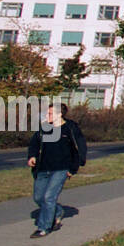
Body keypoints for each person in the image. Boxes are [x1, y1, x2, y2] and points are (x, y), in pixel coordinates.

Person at [27, 102, 87, 238]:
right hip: (43, 168)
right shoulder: (44, 128)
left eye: (50, 113)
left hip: (60, 169)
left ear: (59, 114)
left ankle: (44, 227)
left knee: (49, 197)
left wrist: (73, 168)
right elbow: (34, 144)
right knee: (38, 198)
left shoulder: (70, 129)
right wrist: (32, 156)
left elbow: (79, 149)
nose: (47, 115)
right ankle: (57, 211)